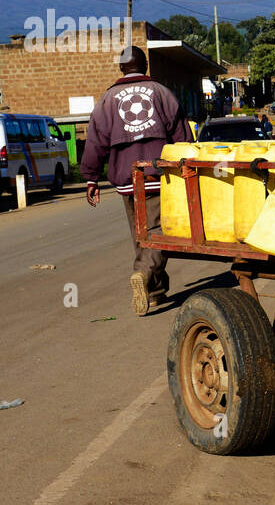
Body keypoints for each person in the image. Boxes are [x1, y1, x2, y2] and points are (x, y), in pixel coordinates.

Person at [81, 45, 193, 316]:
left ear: (121, 68)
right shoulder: (163, 93)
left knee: (140, 235)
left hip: (127, 179)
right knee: (158, 233)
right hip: (159, 177)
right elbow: (182, 137)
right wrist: (189, 166)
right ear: (145, 66)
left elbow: (95, 142)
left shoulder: (107, 99)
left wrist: (91, 178)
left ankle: (154, 292)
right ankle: (142, 274)